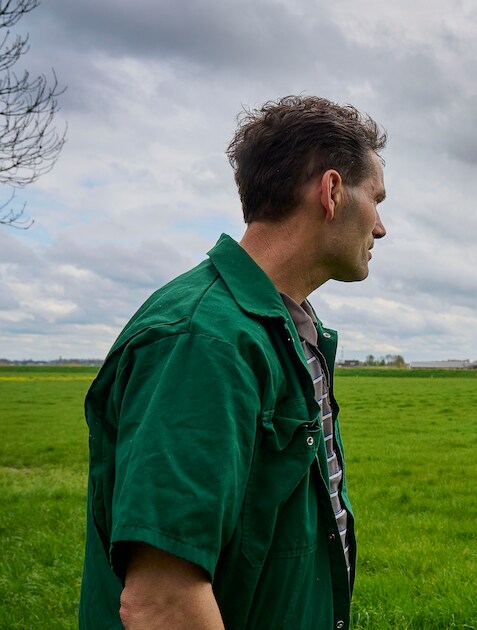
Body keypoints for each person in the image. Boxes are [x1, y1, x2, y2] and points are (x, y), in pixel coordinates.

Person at [80, 95, 388, 629]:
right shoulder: (203, 341)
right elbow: (161, 600)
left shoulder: (281, 328)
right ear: (332, 191)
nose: (381, 227)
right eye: (377, 200)